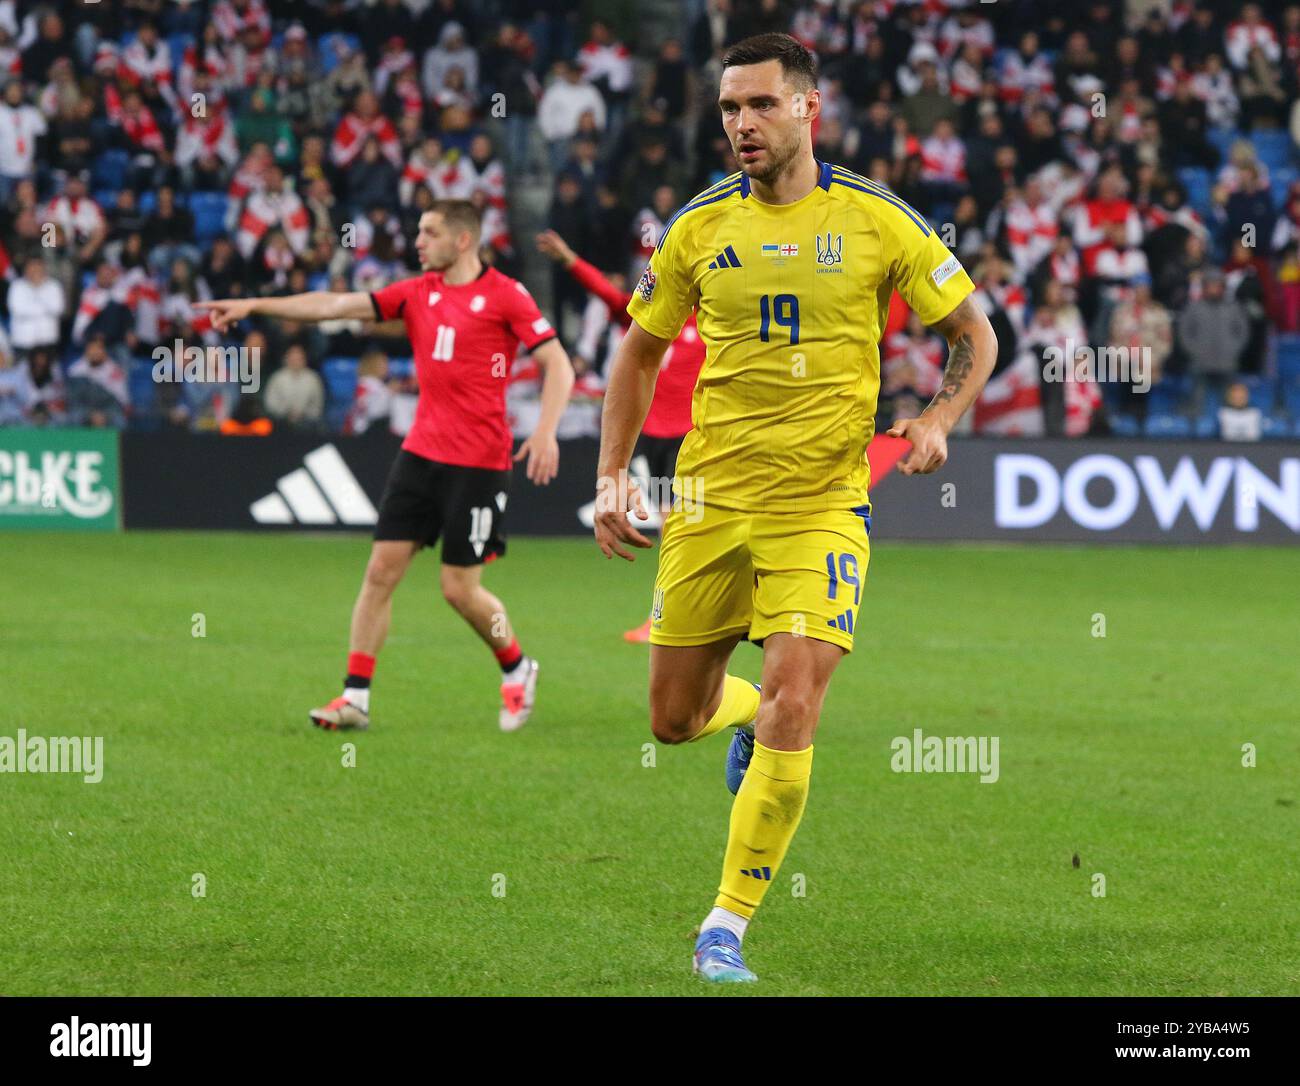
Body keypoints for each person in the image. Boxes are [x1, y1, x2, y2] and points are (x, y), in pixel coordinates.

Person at [593, 34, 996, 984]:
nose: (742, 124)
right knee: (671, 722)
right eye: (731, 108)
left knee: (797, 699)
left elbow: (972, 332)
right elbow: (636, 356)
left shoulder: (873, 218)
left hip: (821, 503)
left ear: (809, 108)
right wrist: (613, 475)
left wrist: (938, 417)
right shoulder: (696, 228)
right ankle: (734, 717)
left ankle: (725, 924)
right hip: (710, 498)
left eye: (762, 105)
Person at [196, 200, 575, 733]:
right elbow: (332, 305)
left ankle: (516, 667)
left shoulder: (506, 295)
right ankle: (355, 699)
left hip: (479, 464)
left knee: (459, 589)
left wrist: (545, 431)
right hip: (420, 454)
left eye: (430, 232)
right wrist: (256, 304)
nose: (417, 241)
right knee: (379, 573)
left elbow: (556, 362)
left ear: (463, 240)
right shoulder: (415, 293)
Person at [535, 227, 705, 644]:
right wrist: (569, 259)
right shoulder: (653, 318)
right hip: (654, 438)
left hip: (693, 437)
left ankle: (682, 618)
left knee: (685, 527)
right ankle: (671, 618)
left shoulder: (715, 324)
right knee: (676, 526)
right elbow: (609, 295)